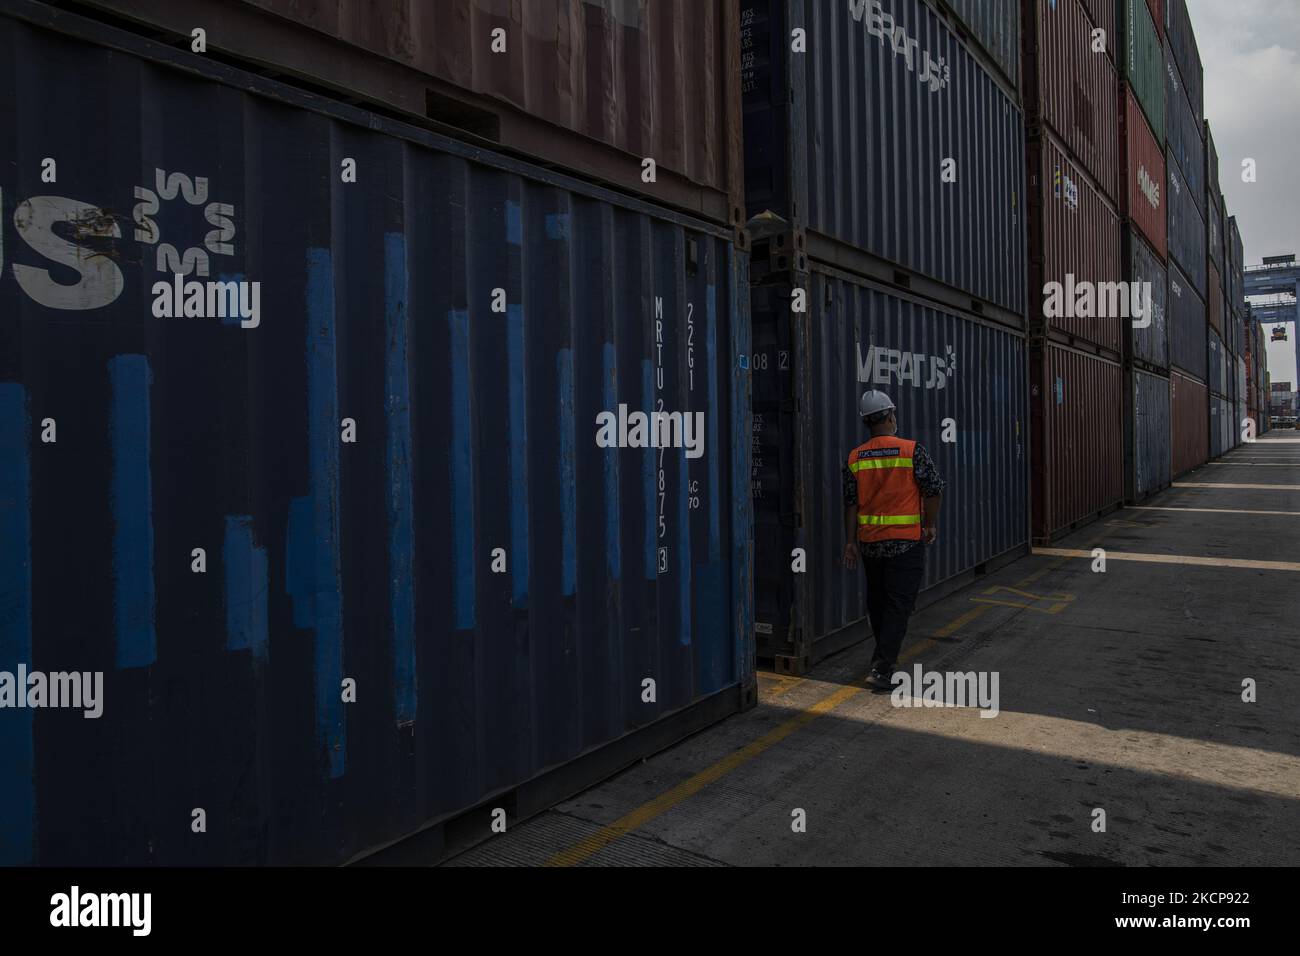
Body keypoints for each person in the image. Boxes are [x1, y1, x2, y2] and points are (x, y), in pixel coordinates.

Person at [842, 389, 945, 689]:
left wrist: (850, 541)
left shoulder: (855, 457)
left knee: (877, 603)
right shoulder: (911, 450)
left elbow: (851, 503)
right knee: (900, 605)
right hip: (905, 543)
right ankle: (882, 668)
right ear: (889, 416)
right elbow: (934, 489)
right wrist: (930, 525)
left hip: (871, 543)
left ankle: (882, 656)